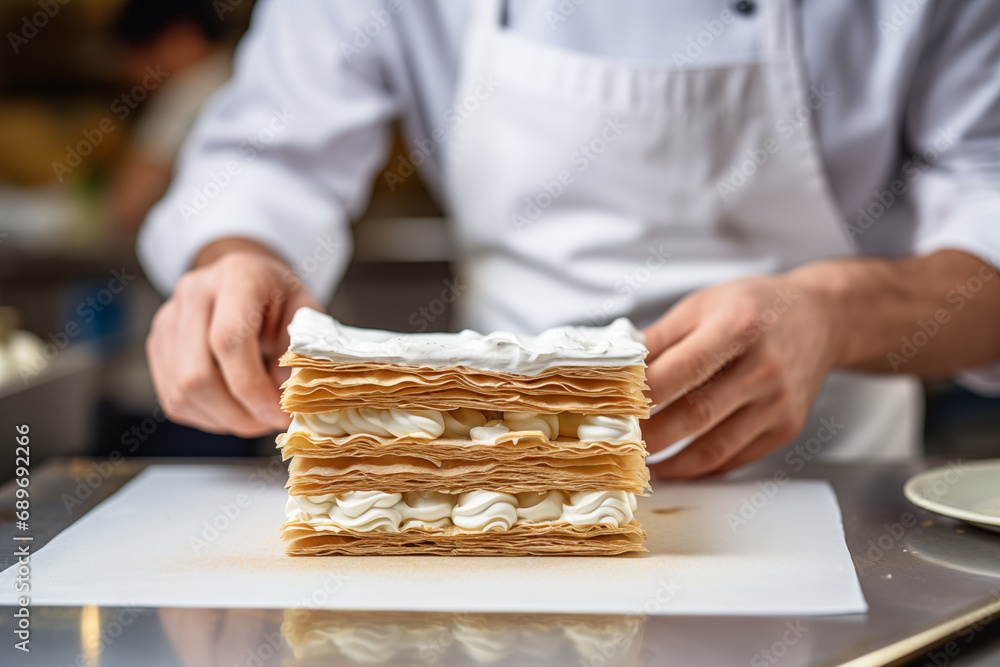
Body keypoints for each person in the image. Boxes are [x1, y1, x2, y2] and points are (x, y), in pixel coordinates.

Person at [138, 0, 1000, 478]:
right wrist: (235, 258)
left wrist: (836, 313)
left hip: (835, 473)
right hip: (492, 471)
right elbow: (267, 157)